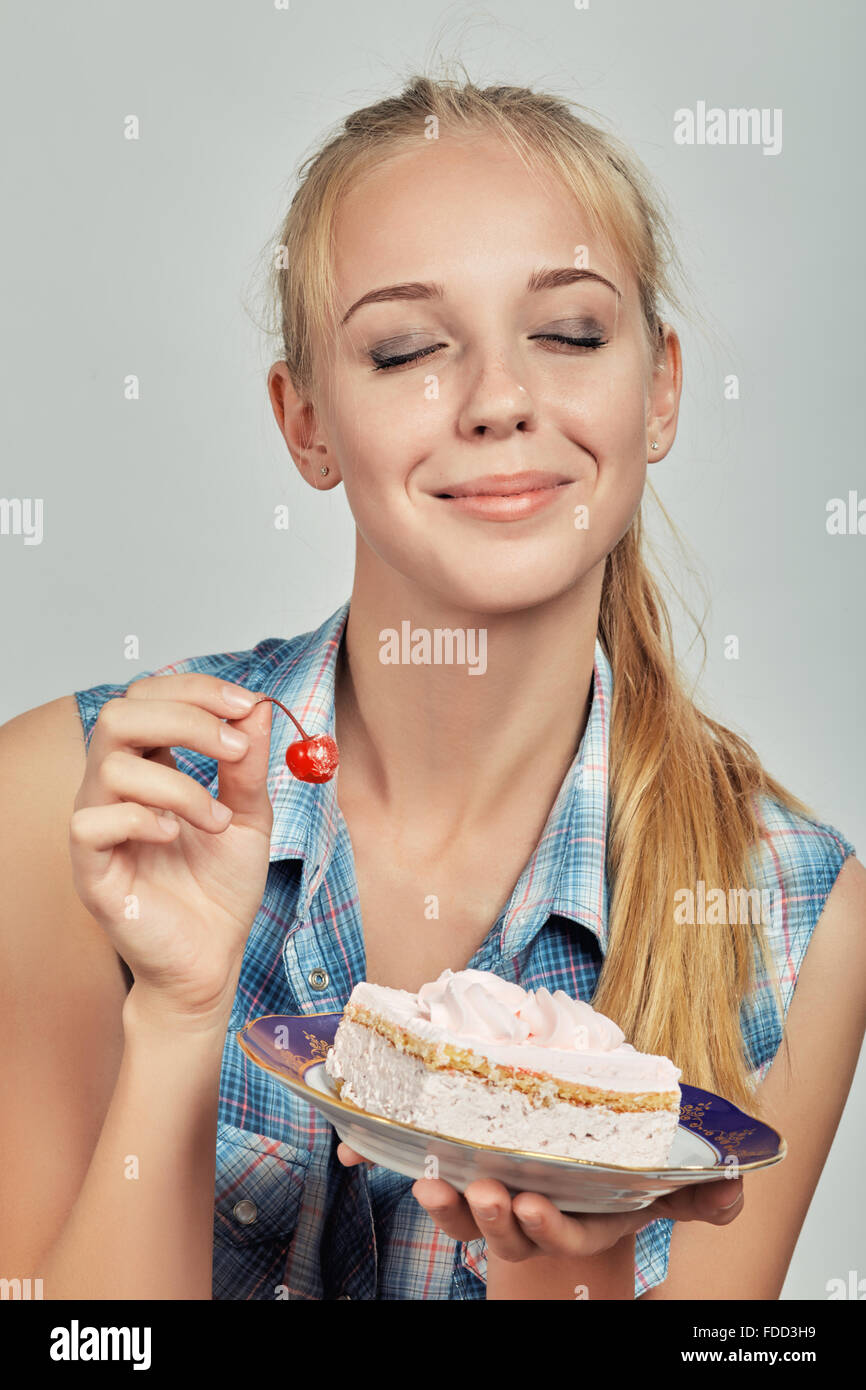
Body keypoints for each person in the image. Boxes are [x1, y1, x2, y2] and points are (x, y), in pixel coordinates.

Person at [1, 69, 863, 1302]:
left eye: (568, 332)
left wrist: (577, 1256)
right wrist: (177, 1023)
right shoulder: (72, 801)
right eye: (405, 348)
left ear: (658, 387)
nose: (499, 401)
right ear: (305, 422)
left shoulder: (790, 917)